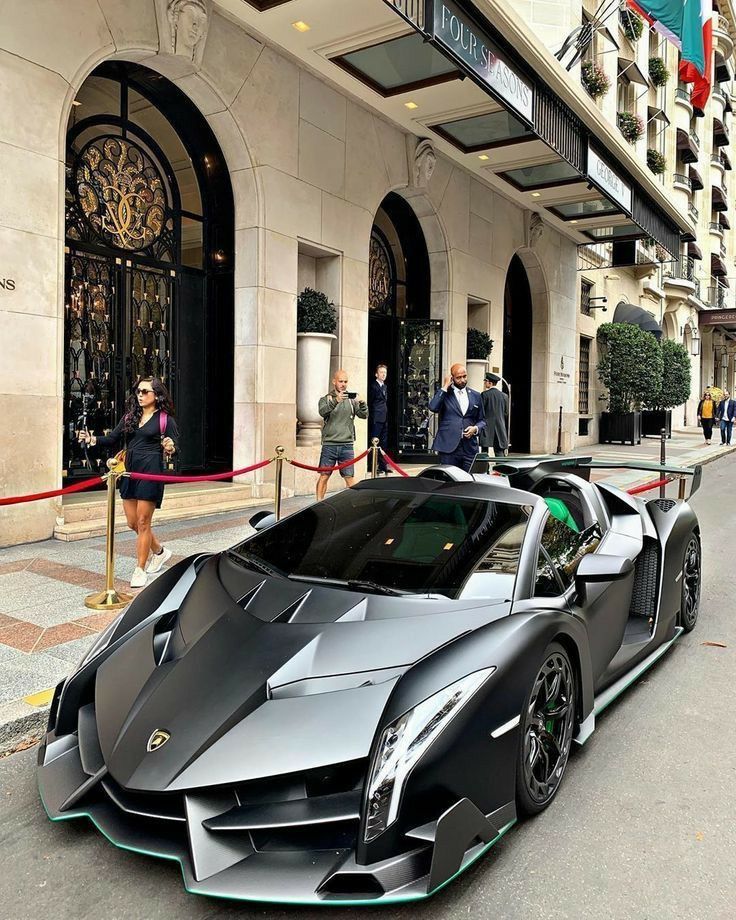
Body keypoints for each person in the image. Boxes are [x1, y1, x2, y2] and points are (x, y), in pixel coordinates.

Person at [79, 376, 179, 588]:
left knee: (143, 522)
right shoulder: (130, 417)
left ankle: (140, 569)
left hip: (150, 470)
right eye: (138, 391)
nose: (140, 395)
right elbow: (113, 438)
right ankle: (160, 552)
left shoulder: (165, 420)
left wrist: (170, 447)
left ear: (157, 395)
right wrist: (92, 439)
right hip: (129, 469)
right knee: (133, 523)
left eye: (145, 392)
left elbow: (175, 447)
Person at [316, 369, 368, 500]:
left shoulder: (351, 400)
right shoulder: (326, 399)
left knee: (349, 477)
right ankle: (318, 503)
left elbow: (364, 415)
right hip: (329, 444)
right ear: (334, 382)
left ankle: (356, 505)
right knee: (324, 476)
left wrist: (362, 404)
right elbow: (322, 412)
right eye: (340, 381)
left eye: (345, 381)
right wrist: (336, 401)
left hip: (347, 445)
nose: (343, 384)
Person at [428, 363, 486, 472]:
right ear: (452, 378)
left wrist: (475, 428)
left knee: (470, 481)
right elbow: (433, 407)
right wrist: (445, 386)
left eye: (464, 376)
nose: (462, 380)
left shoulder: (476, 395)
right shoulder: (445, 394)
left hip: (469, 448)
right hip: (448, 448)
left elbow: (482, 420)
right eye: (458, 378)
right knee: (449, 483)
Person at [480, 372, 509, 457]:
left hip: (486, 427)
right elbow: (506, 413)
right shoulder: (504, 396)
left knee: (484, 452)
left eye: (486, 381)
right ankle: (501, 470)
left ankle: (484, 470)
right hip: (500, 427)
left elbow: (482, 412)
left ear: (490, 382)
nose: (485, 383)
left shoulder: (484, 395)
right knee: (499, 452)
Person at [368, 364, 389, 475]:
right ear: (376, 374)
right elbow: (371, 402)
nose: (383, 374)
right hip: (376, 417)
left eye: (385, 372)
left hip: (384, 417)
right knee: (374, 442)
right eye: (381, 372)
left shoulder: (384, 386)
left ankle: (383, 466)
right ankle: (371, 465)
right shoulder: (373, 386)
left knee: (383, 443)